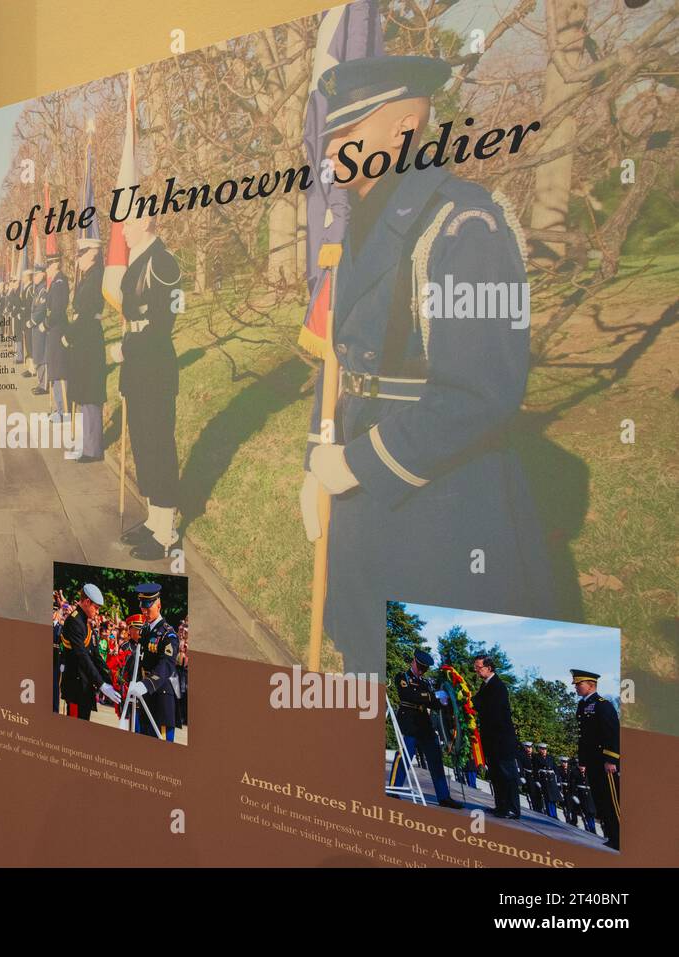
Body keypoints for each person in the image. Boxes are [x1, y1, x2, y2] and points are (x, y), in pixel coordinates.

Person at [298, 55, 555, 674]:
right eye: (331, 133)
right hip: (364, 491)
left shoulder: (465, 223)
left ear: (404, 130)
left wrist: (356, 462)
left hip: (437, 499)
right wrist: (318, 458)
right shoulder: (357, 227)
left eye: (348, 131)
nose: (330, 147)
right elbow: (344, 361)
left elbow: (481, 393)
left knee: (423, 678)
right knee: (366, 656)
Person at [113, 215, 182, 560]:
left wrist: (127, 348)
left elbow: (161, 326)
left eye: (126, 224)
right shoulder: (139, 261)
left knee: (159, 448)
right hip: (140, 369)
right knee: (143, 446)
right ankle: (155, 522)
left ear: (144, 221)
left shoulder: (163, 262)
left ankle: (167, 531)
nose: (122, 231)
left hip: (155, 368)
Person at [389, 650, 464, 808]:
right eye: (421, 667)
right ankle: (394, 789)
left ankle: (444, 797)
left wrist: (447, 701)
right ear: (414, 662)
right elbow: (409, 695)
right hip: (409, 721)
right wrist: (433, 696)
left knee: (435, 759)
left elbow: (433, 703)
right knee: (405, 755)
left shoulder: (426, 683)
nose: (422, 671)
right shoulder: (403, 677)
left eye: (425, 669)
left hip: (424, 723)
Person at [64, 236, 106, 463]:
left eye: (81, 254)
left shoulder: (95, 278)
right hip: (85, 340)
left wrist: (68, 335)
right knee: (85, 393)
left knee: (90, 394)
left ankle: (93, 448)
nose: (78, 259)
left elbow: (86, 314)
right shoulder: (88, 277)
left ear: (92, 254)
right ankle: (89, 444)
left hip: (89, 340)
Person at [572, 669, 620, 850]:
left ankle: (621, 837)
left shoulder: (603, 705)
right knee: (600, 800)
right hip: (592, 761)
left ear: (591, 685)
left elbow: (612, 733)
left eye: (579, 684)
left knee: (612, 800)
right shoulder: (582, 705)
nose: (576, 687)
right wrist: (582, 761)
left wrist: (611, 759)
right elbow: (584, 737)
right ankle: (612, 836)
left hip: (605, 762)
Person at [126, 583, 180, 741]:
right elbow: (139, 659)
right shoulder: (145, 631)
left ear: (159, 606)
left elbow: (167, 665)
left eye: (148, 608)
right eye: (142, 607)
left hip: (161, 698)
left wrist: (146, 684)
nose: (144, 611)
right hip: (145, 697)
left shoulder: (168, 635)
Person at [58, 584, 120, 720]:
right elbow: (83, 656)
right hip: (76, 687)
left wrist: (111, 680)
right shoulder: (74, 622)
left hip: (85, 688)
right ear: (87, 602)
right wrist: (101, 684)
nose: (97, 612)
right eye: (96, 608)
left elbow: (96, 656)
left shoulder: (85, 622)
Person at [471, 654, 521, 818]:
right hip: (492, 739)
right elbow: (475, 702)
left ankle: (512, 808)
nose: (476, 670)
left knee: (507, 774)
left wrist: (470, 703)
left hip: (502, 740)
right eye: (476, 667)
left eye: (479, 667)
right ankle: (501, 806)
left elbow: (486, 707)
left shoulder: (497, 686)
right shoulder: (486, 685)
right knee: (497, 774)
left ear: (489, 668)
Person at [43, 251, 70, 421]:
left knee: (59, 369)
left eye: (48, 266)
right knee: (54, 367)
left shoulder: (59, 283)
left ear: (54, 265)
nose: (46, 270)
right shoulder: (55, 282)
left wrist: (46, 323)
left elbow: (58, 309)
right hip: (54, 329)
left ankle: (64, 410)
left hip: (57, 328)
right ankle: (59, 408)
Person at [30, 261, 49, 395]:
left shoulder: (44, 290)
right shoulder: (38, 290)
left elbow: (41, 309)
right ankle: (40, 382)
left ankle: (44, 384)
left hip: (42, 327)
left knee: (42, 356)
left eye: (36, 275)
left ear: (43, 274)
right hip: (36, 328)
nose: (34, 278)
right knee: (37, 354)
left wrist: (32, 321)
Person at [534, 743, 562, 820]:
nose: (544, 750)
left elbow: (555, 769)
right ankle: (550, 813)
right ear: (539, 749)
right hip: (544, 778)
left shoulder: (550, 757)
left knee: (553, 798)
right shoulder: (536, 757)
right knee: (548, 797)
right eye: (542, 749)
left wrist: (558, 781)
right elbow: (535, 770)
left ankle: (555, 814)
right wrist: (537, 780)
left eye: (545, 749)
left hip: (552, 779)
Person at [518, 741, 543, 814]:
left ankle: (540, 809)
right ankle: (534, 809)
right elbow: (520, 766)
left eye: (530, 747)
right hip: (528, 777)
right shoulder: (522, 755)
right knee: (531, 795)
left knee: (539, 795)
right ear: (525, 748)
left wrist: (538, 779)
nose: (529, 749)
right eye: (527, 747)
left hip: (536, 778)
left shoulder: (535, 756)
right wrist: (521, 776)